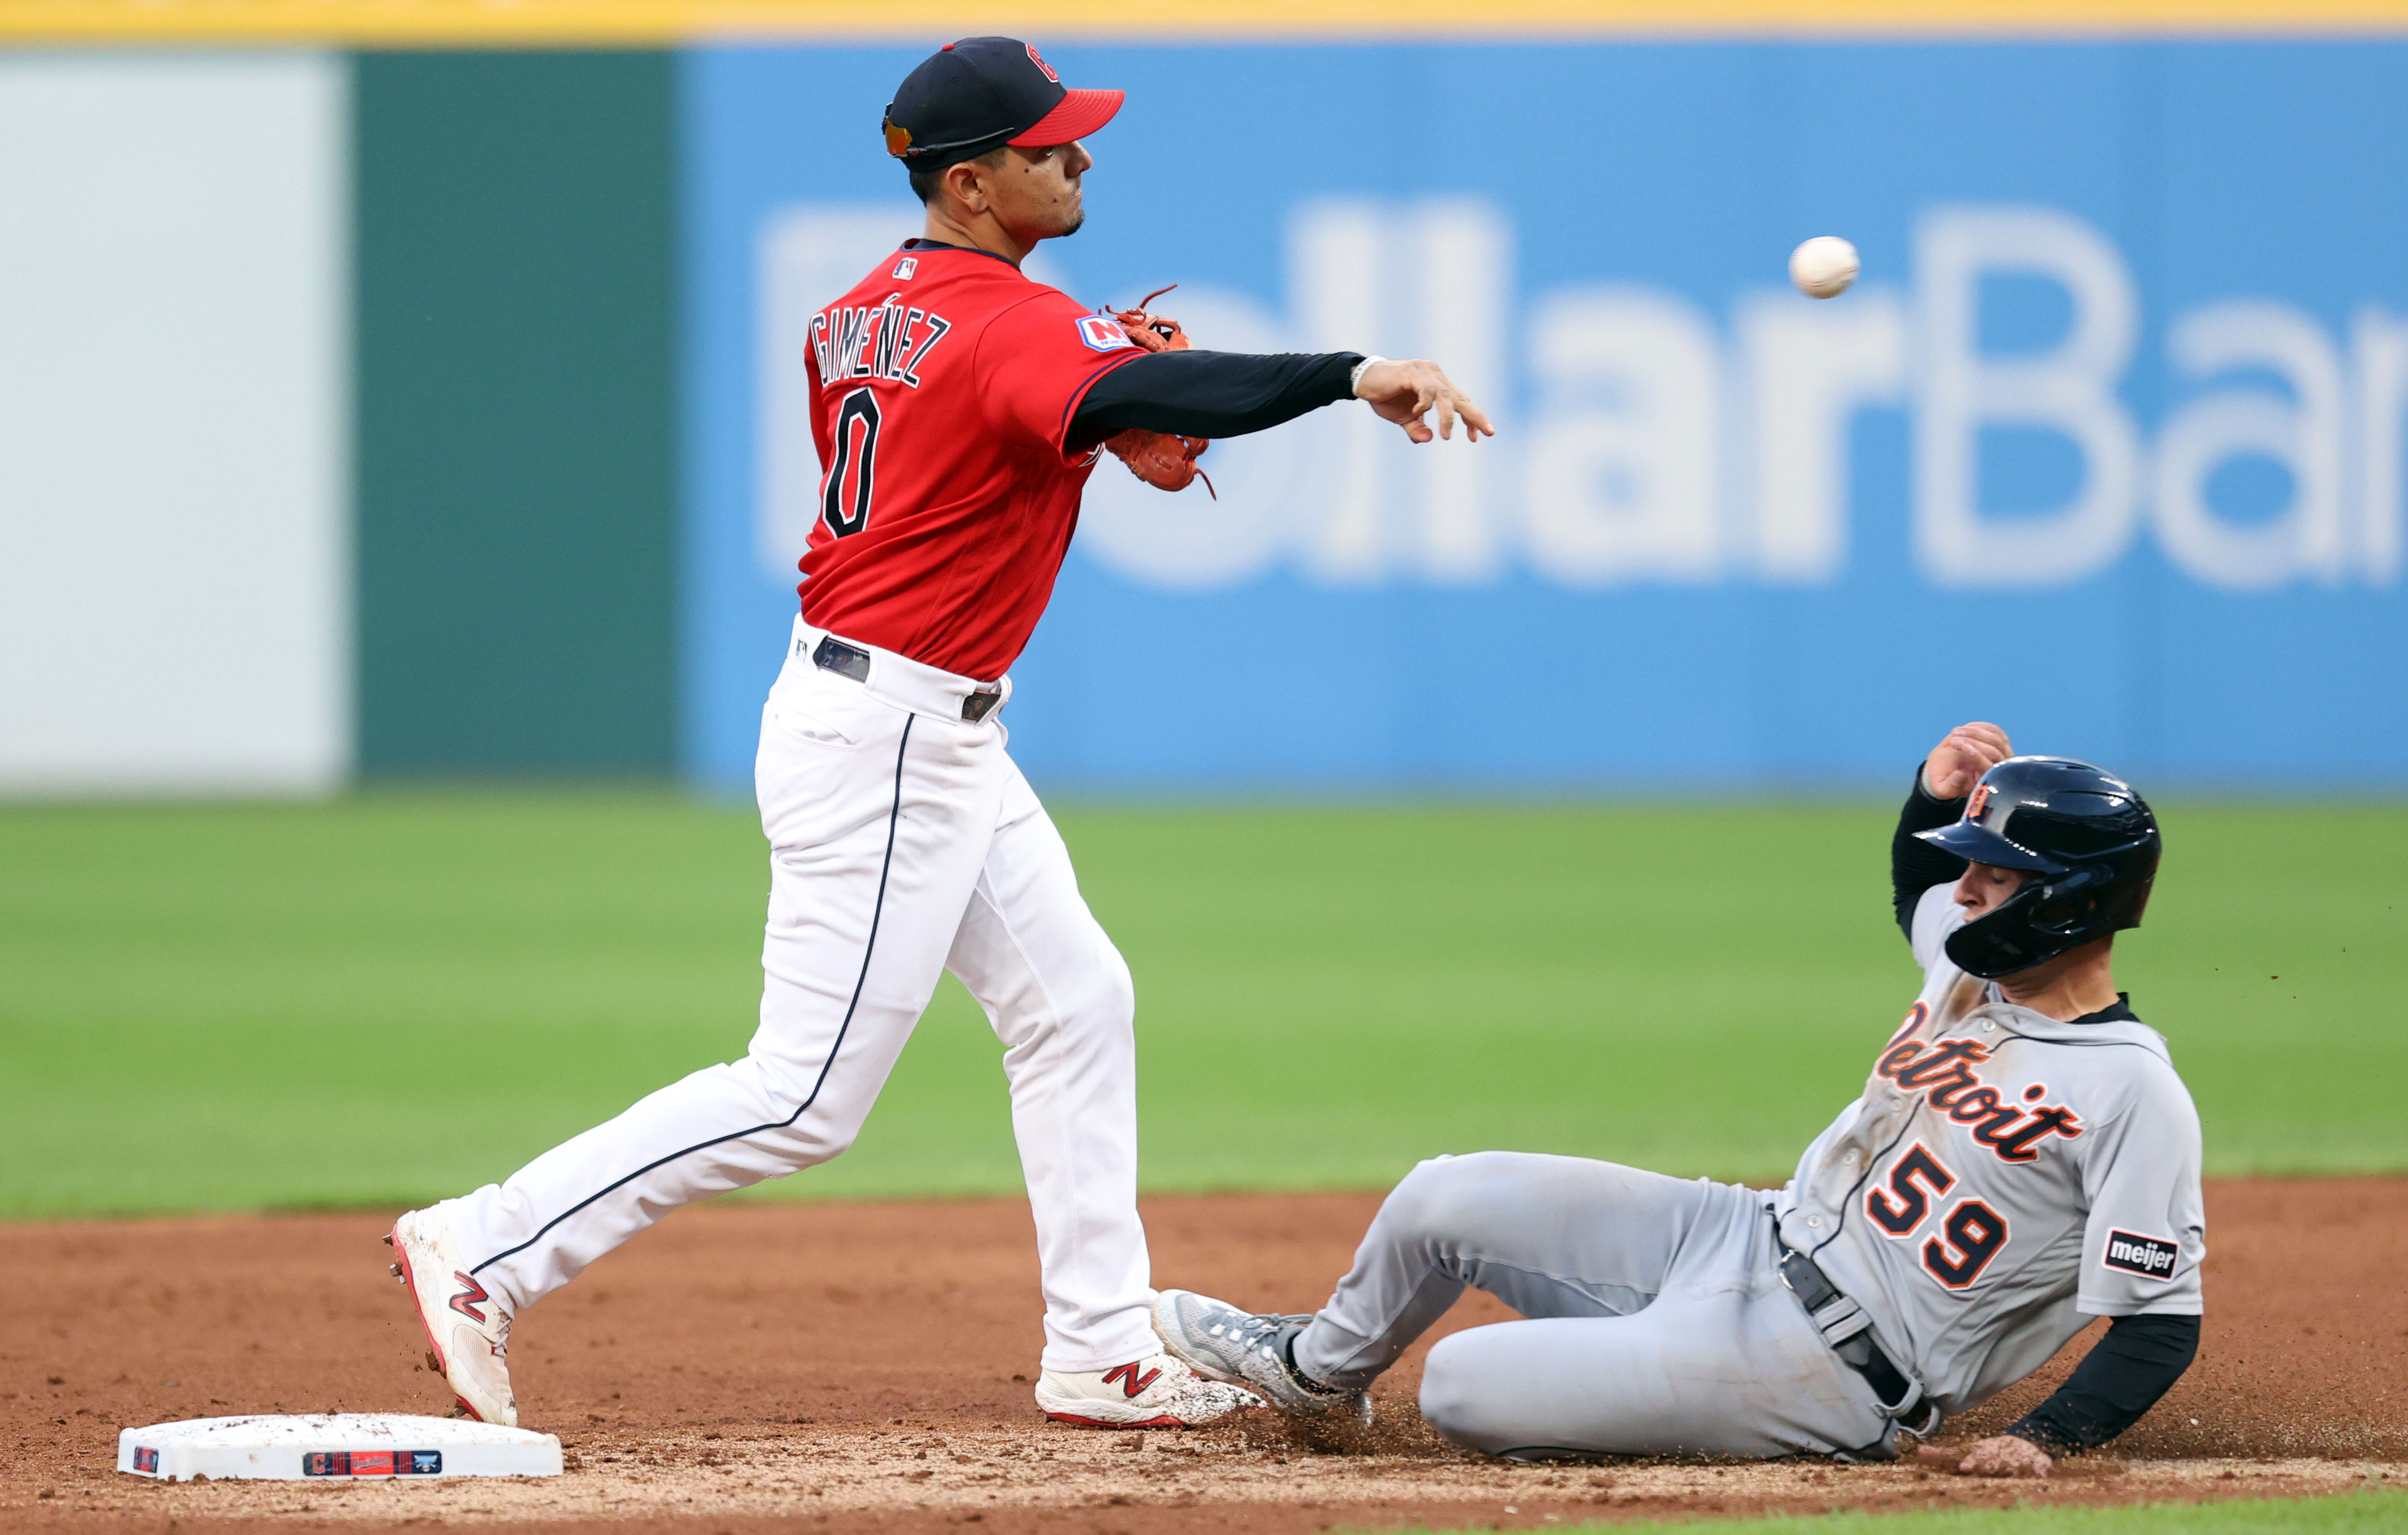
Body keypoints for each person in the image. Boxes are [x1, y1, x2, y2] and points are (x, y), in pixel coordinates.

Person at [383, 35, 1491, 1432]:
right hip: (890, 734)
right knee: (802, 1094)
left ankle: (1100, 1347)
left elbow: (996, 434)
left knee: (1076, 1003)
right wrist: (1350, 372)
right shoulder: (1007, 322)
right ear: (969, 184)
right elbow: (1131, 388)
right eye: (1048, 147)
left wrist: (1100, 416)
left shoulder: (854, 310)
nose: (1079, 157)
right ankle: (483, 1243)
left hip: (912, 718)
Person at [1154, 723, 2202, 1472]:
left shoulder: (2130, 1091)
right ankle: (1316, 1370)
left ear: (2072, 899)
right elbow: (1913, 890)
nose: (1966, 890)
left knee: (1459, 1386)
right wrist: (1935, 800)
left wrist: (2041, 1442)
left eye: (1996, 875)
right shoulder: (1970, 973)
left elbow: (2158, 1327)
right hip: (1741, 1232)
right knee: (1442, 1199)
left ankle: (1669, 1374)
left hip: (1825, 1370)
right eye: (1970, 868)